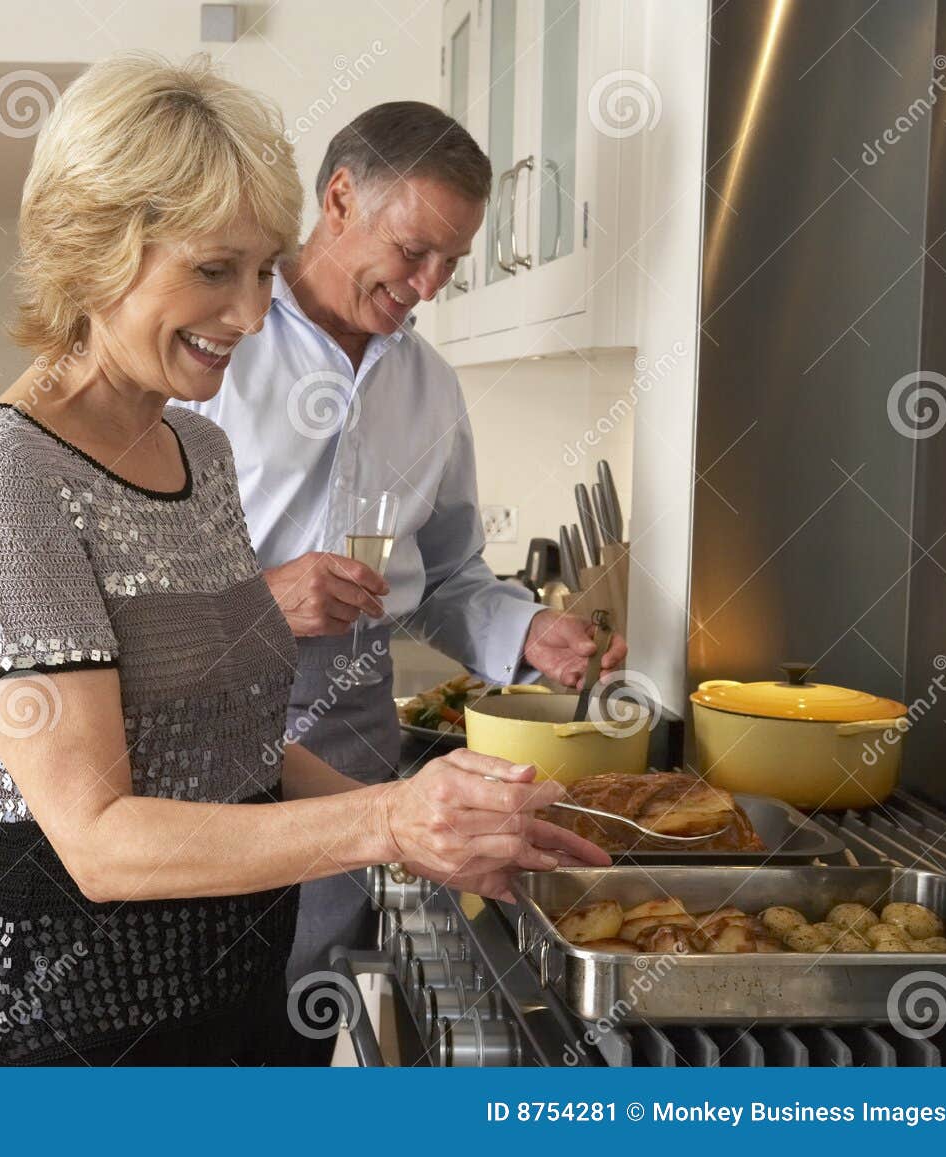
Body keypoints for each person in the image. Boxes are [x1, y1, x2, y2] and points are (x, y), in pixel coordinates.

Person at [0, 53, 608, 1068]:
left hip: (239, 968)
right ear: (91, 250)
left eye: (256, 271)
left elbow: (230, 745)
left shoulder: (194, 451)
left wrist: (450, 809)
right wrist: (386, 817)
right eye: (214, 271)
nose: (250, 314)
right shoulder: (3, 472)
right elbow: (98, 838)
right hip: (83, 1017)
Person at [181, 100, 630, 1057]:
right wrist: (264, 601)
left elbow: (457, 575)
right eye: (415, 249)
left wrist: (527, 634)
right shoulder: (215, 349)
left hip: (353, 722)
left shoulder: (431, 389)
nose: (427, 286)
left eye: (452, 264)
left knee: (314, 997)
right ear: (339, 197)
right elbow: (121, 598)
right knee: (204, 992)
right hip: (201, 716)